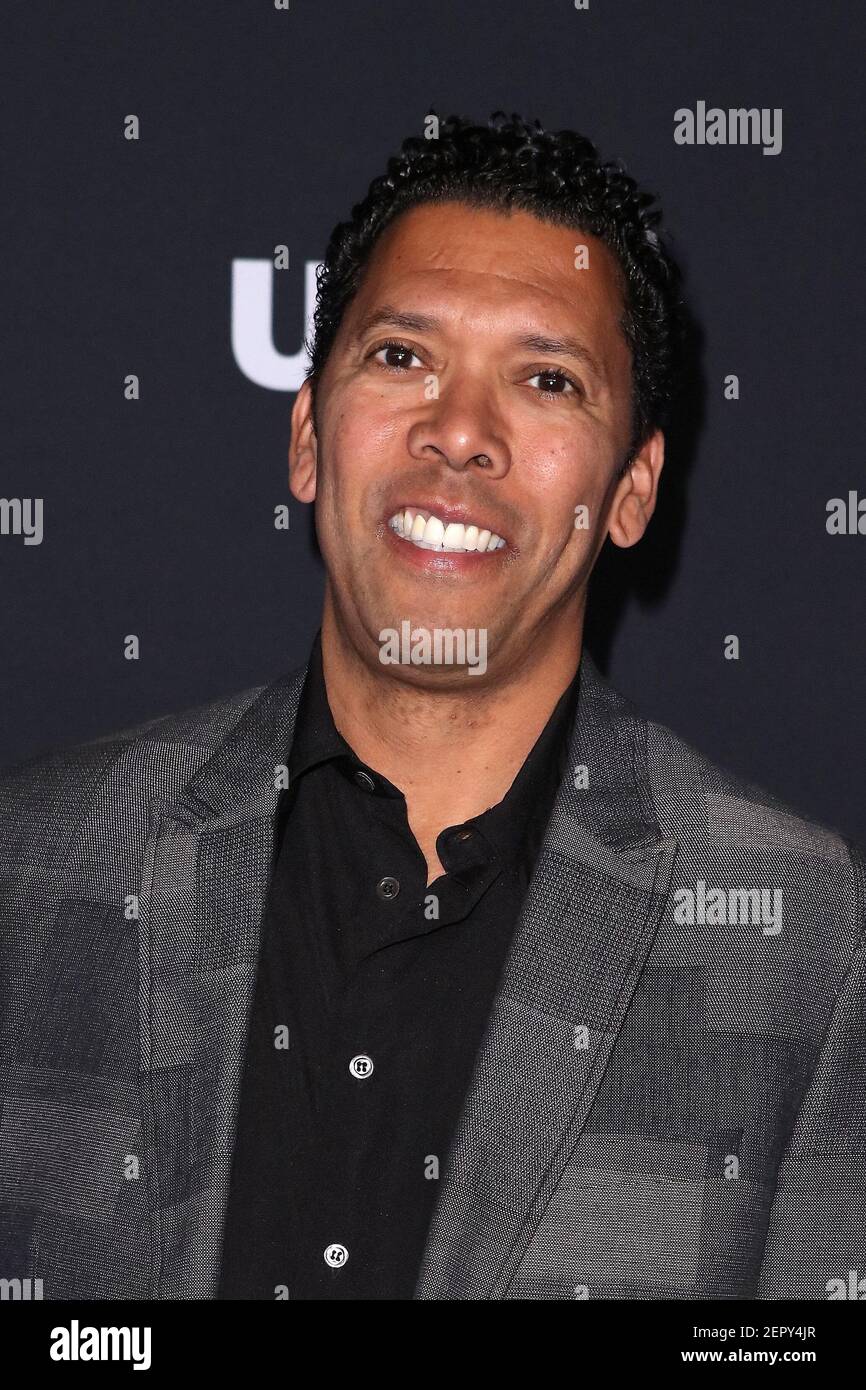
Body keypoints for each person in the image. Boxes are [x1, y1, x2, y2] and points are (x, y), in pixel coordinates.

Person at [1, 113, 863, 1302]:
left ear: (629, 491)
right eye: (402, 357)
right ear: (308, 437)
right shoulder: (37, 869)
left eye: (545, 379)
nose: (458, 433)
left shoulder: (807, 939)